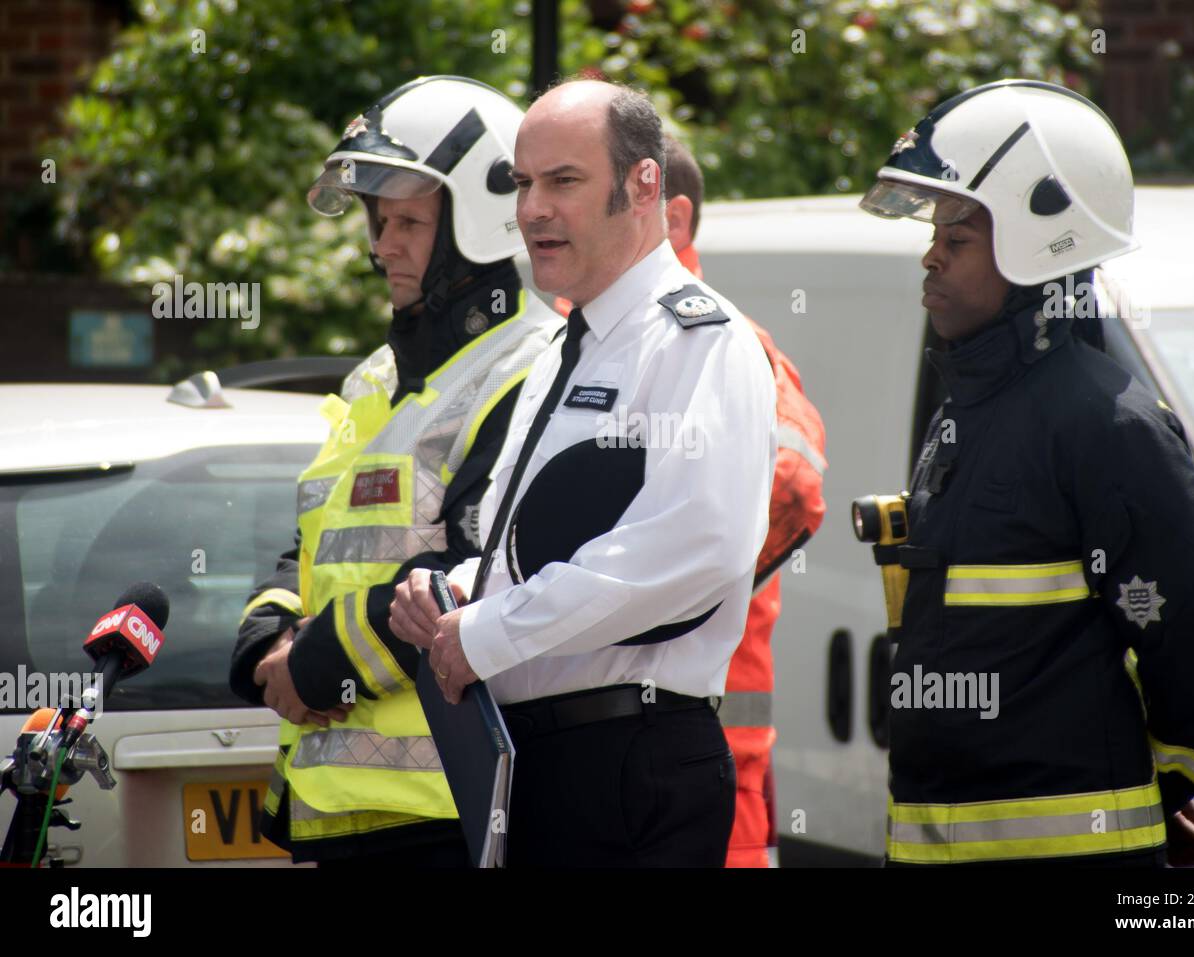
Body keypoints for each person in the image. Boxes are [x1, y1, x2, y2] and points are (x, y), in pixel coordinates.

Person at [857, 79, 1194, 866]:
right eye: (934, 232)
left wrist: (1162, 786)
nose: (931, 255)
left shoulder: (1106, 425)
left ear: (1040, 248)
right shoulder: (968, 410)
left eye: (959, 238)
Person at [388, 79, 778, 867]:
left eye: (563, 181)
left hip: (631, 761)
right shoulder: (568, 347)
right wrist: (457, 592)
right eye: (521, 184)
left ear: (642, 185)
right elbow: (535, 547)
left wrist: (490, 631)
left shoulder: (700, 338)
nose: (531, 208)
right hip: (540, 763)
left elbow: (699, 543)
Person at [228, 76, 562, 866]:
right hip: (338, 809)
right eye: (380, 221)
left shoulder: (529, 366)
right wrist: (266, 637)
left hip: (451, 812)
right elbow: (320, 541)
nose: (383, 245)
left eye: (410, 221)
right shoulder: (376, 377)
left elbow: (474, 570)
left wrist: (310, 663)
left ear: (478, 227)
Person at [556, 136, 829, 867]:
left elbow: (794, 490)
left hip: (701, 749)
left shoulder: (718, 342)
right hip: (603, 754)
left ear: (672, 214)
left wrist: (657, 585)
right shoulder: (589, 337)